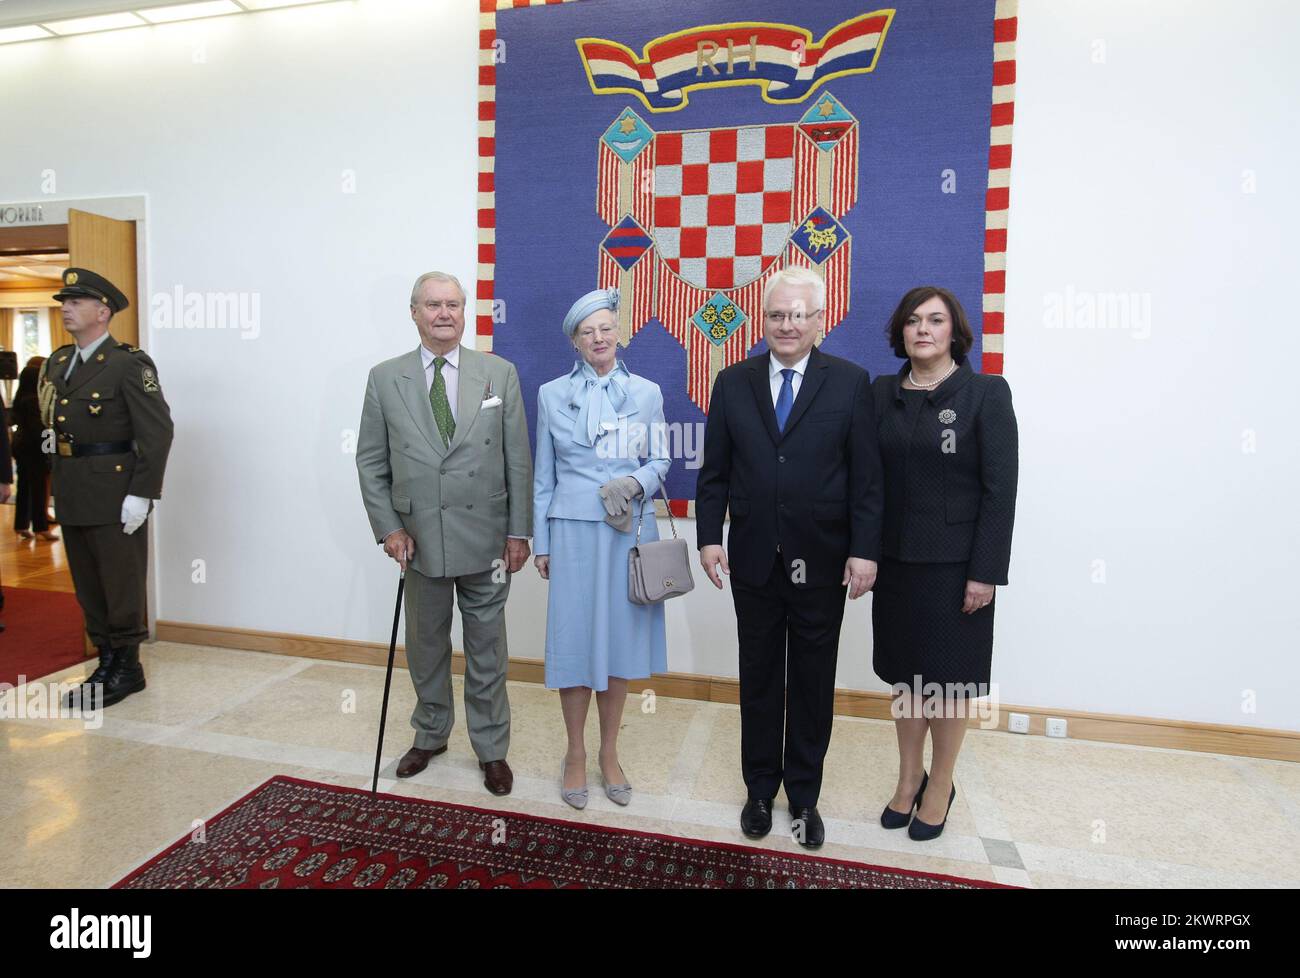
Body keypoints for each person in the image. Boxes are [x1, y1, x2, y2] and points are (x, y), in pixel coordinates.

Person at [696, 266, 883, 848]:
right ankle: (759, 791)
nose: (787, 324)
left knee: (811, 683)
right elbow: (715, 474)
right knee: (758, 679)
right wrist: (708, 537)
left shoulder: (852, 383)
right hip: (752, 560)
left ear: (819, 322)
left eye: (799, 315)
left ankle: (803, 797)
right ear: (763, 319)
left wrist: (864, 551)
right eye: (777, 314)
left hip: (824, 562)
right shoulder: (732, 382)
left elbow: (867, 481)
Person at [356, 271, 532, 796]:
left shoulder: (498, 374)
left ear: (465, 310)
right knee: (427, 645)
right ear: (414, 312)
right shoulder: (385, 378)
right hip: (418, 540)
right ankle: (430, 734)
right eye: (432, 304)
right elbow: (370, 461)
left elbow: (517, 460)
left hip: (487, 537)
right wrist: (388, 529)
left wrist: (519, 531)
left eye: (453, 304)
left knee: (487, 649)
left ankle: (491, 749)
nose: (444, 314)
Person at [872, 286, 1018, 841]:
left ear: (955, 330)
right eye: (912, 321)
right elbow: (868, 478)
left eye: (935, 320)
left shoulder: (985, 393)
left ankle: (941, 785)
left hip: (958, 568)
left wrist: (986, 570)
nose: (923, 329)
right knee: (908, 680)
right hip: (895, 563)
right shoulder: (881, 393)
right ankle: (909, 778)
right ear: (901, 333)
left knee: (949, 685)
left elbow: (999, 491)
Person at [532, 288, 670, 809]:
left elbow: (661, 460)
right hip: (571, 533)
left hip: (627, 532)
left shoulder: (648, 393)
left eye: (606, 329)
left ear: (620, 333)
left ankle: (609, 754)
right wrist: (541, 542)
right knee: (574, 645)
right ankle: (574, 753)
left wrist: (633, 484)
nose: (598, 338)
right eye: (587, 332)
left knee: (616, 645)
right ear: (575, 341)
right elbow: (543, 475)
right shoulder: (549, 395)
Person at [48, 268, 175, 709]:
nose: (66, 308)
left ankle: (126, 667)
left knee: (118, 582)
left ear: (103, 312)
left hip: (114, 492)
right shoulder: (59, 362)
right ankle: (105, 661)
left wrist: (142, 493)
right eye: (64, 301)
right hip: (72, 489)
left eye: (76, 302)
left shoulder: (127, 364)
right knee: (88, 584)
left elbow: (157, 433)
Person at [12, 357, 58, 541]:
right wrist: (50, 448)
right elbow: (41, 429)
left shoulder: (21, 398)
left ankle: (21, 525)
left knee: (23, 487)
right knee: (39, 488)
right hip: (35, 449)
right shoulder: (34, 401)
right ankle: (41, 527)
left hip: (21, 447)